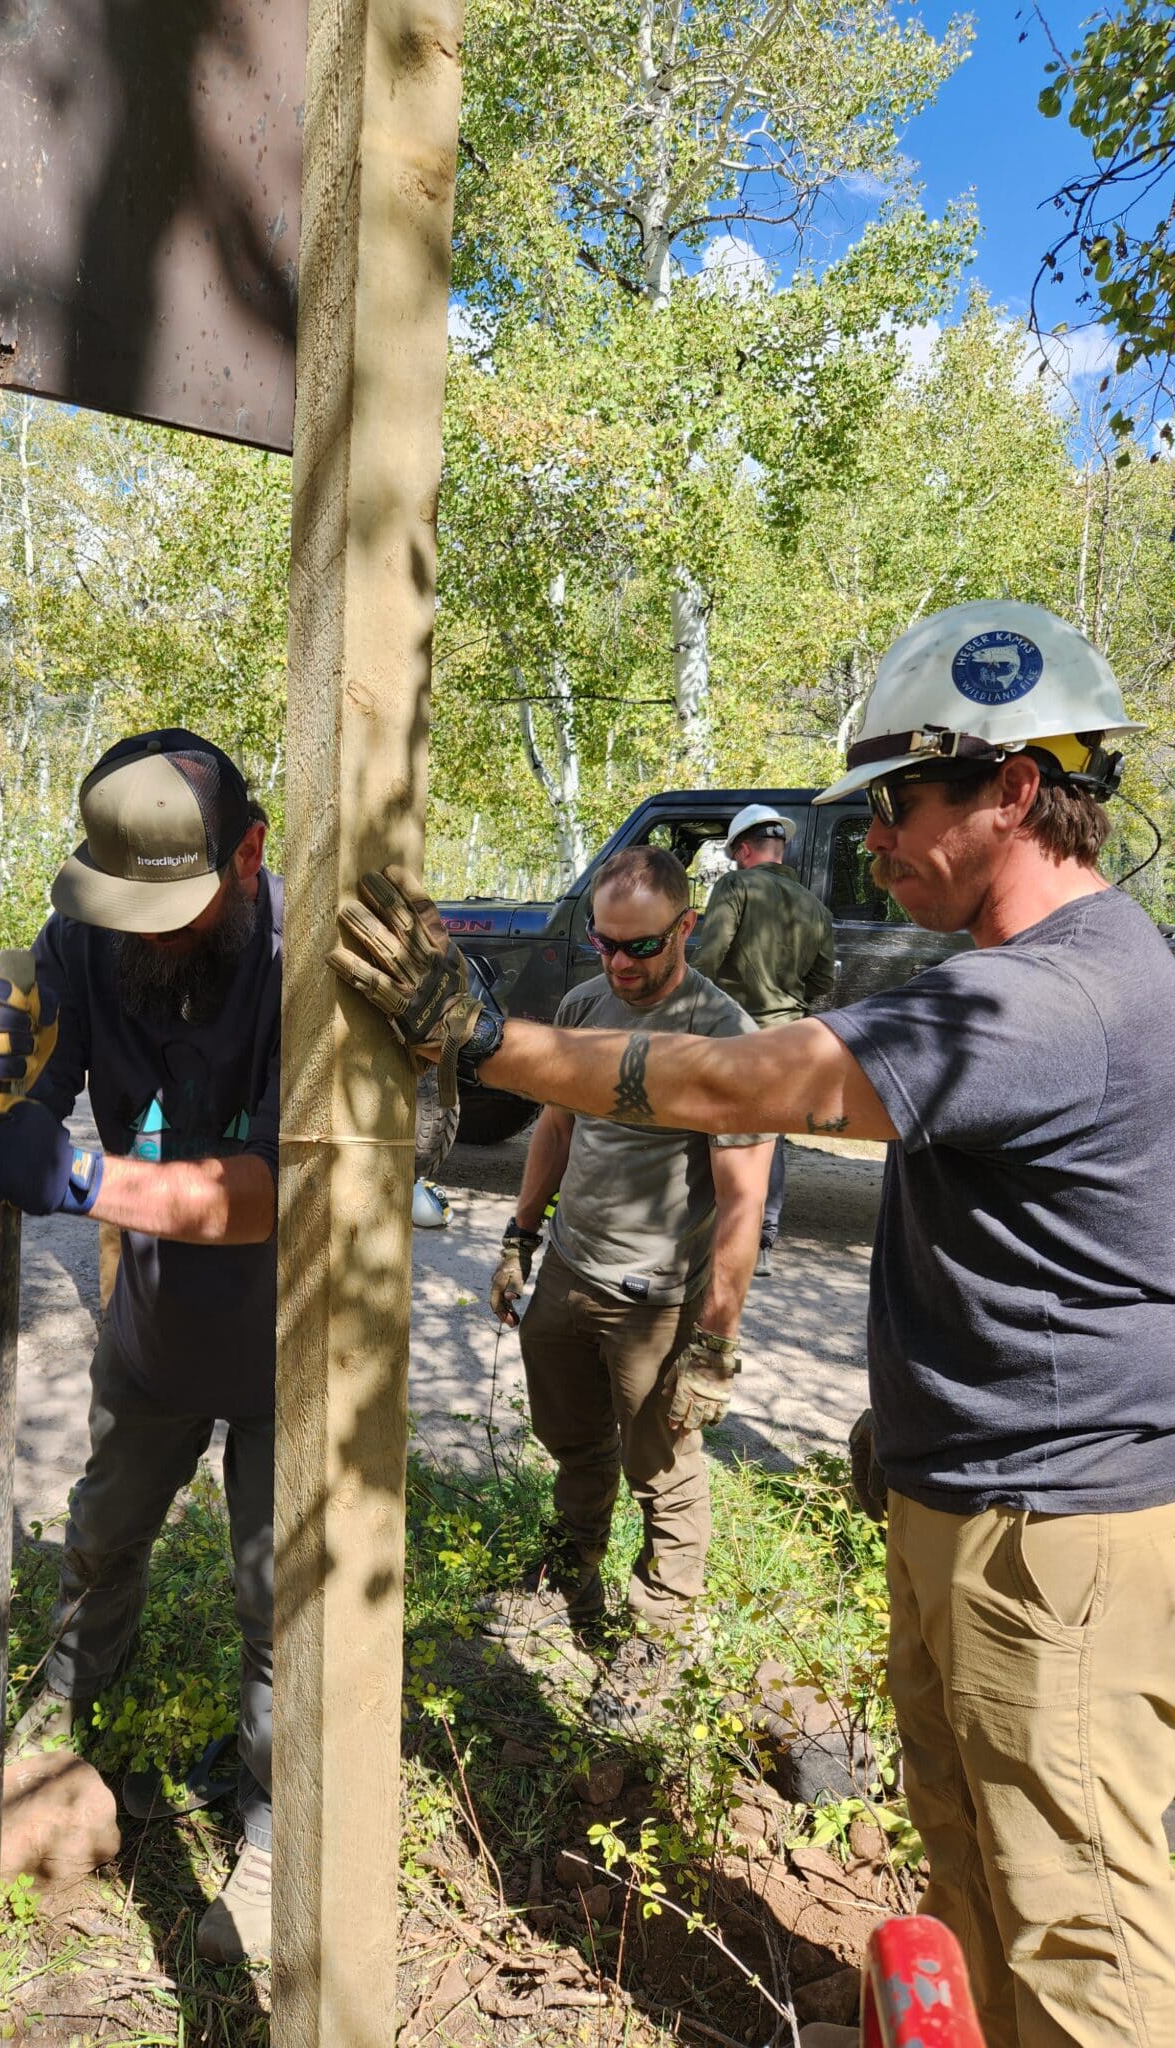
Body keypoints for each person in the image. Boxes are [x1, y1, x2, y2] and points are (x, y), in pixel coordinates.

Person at [330, 601, 1174, 2048]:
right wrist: (920, 1416)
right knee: (971, 1849)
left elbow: (747, 1087)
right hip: (985, 1495)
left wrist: (480, 1039)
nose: (876, 839)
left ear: (1017, 789)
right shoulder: (1072, 976)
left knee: (1083, 1924)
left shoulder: (1044, 998)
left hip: (1052, 1537)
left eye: (903, 804)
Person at [0, 729, 280, 1967]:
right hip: (155, 1328)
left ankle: (274, 1832)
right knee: (102, 1534)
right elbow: (15, 1083)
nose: (145, 939)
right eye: (123, 916)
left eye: (172, 916)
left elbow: (273, 1193)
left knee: (277, 1593)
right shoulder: (94, 937)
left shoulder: (308, 965)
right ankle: (74, 1725)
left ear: (247, 854)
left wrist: (82, 1171)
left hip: (297, 1343)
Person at [485, 845, 771, 1688]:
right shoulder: (581, 1003)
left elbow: (742, 1202)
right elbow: (556, 1128)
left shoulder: (722, 1034)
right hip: (571, 1271)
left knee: (666, 1472)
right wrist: (518, 1239)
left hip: (656, 1300)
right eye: (605, 942)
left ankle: (658, 1630)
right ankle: (569, 1565)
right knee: (572, 1441)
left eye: (641, 945)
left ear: (686, 927)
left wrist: (714, 1347)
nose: (620, 963)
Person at [690, 802, 835, 1275]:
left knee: (709, 1124)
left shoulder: (735, 887)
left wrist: (682, 1004)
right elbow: (823, 983)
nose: (733, 863)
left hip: (735, 1031)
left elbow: (710, 957)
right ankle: (763, 1242)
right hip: (785, 1038)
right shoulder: (815, 905)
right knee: (767, 1134)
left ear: (745, 850)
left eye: (734, 855)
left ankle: (704, 1230)